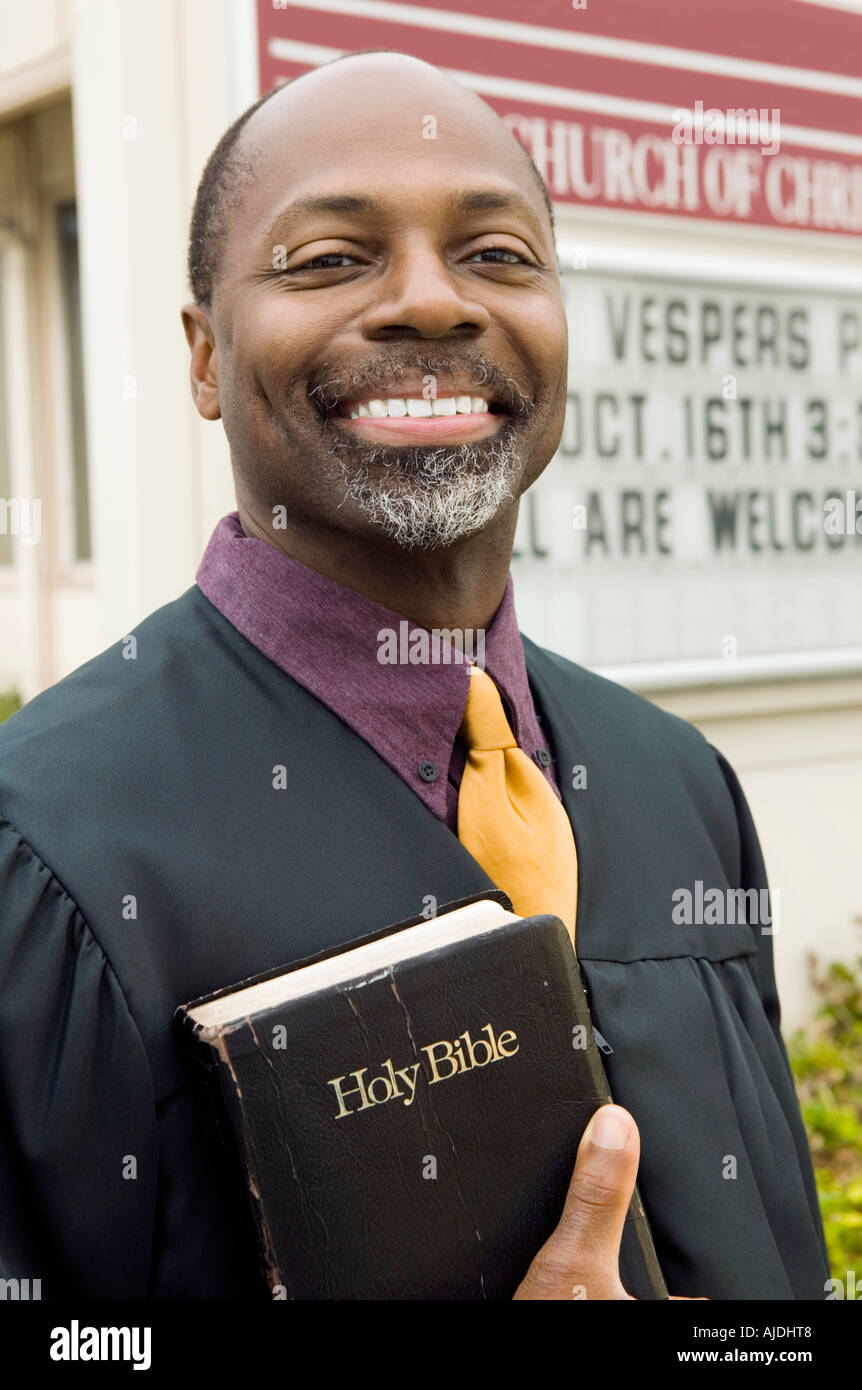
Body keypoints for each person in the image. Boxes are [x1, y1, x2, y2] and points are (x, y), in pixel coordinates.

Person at [0, 50, 828, 1300]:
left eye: (497, 254)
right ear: (204, 355)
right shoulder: (46, 853)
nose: (434, 303)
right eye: (330, 258)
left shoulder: (681, 787)